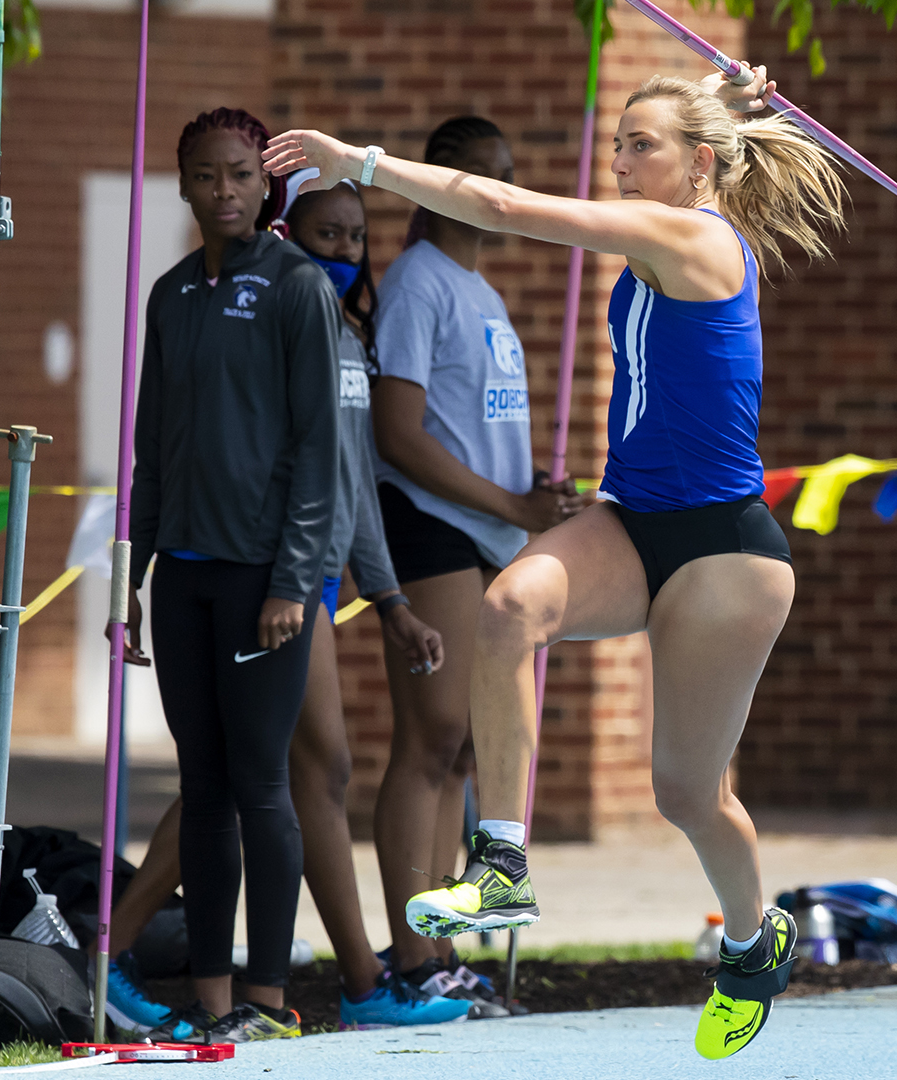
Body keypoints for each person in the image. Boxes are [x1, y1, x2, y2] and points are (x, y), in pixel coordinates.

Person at [264, 66, 845, 1060]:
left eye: (640, 146)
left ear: (700, 164)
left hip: (723, 549)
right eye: (617, 143)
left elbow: (499, 204)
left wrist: (357, 160)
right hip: (633, 520)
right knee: (510, 605)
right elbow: (692, 131)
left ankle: (753, 942)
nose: (618, 161)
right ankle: (502, 861)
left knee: (685, 795)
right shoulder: (673, 220)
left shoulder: (697, 237)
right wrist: (726, 91)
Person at [98, 173, 473, 1035]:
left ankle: (356, 978)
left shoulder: (340, 332)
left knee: (295, 775)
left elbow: (352, 485)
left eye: (354, 236)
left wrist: (386, 597)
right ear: (284, 229)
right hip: (273, 581)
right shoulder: (271, 318)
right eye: (325, 232)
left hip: (311, 585)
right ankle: (115, 954)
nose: (342, 250)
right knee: (255, 776)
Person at [115, 106, 340, 1045]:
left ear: (267, 182)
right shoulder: (170, 295)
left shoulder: (296, 288)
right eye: (207, 176)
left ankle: (266, 999)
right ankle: (207, 1003)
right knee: (201, 785)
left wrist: (294, 580)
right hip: (184, 580)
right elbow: (152, 451)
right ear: (182, 185)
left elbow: (318, 447)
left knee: (260, 786)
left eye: (242, 174)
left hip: (263, 584)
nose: (225, 192)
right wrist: (135, 573)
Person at [351, 116, 573, 1011]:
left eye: (511, 175)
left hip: (489, 538)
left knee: (467, 747)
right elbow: (399, 436)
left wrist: (533, 498)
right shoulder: (418, 285)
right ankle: (407, 964)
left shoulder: (480, 290)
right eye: (489, 176)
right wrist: (509, 504)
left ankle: (436, 951)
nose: (502, 193)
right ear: (440, 181)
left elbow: (474, 426)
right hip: (431, 529)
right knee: (433, 738)